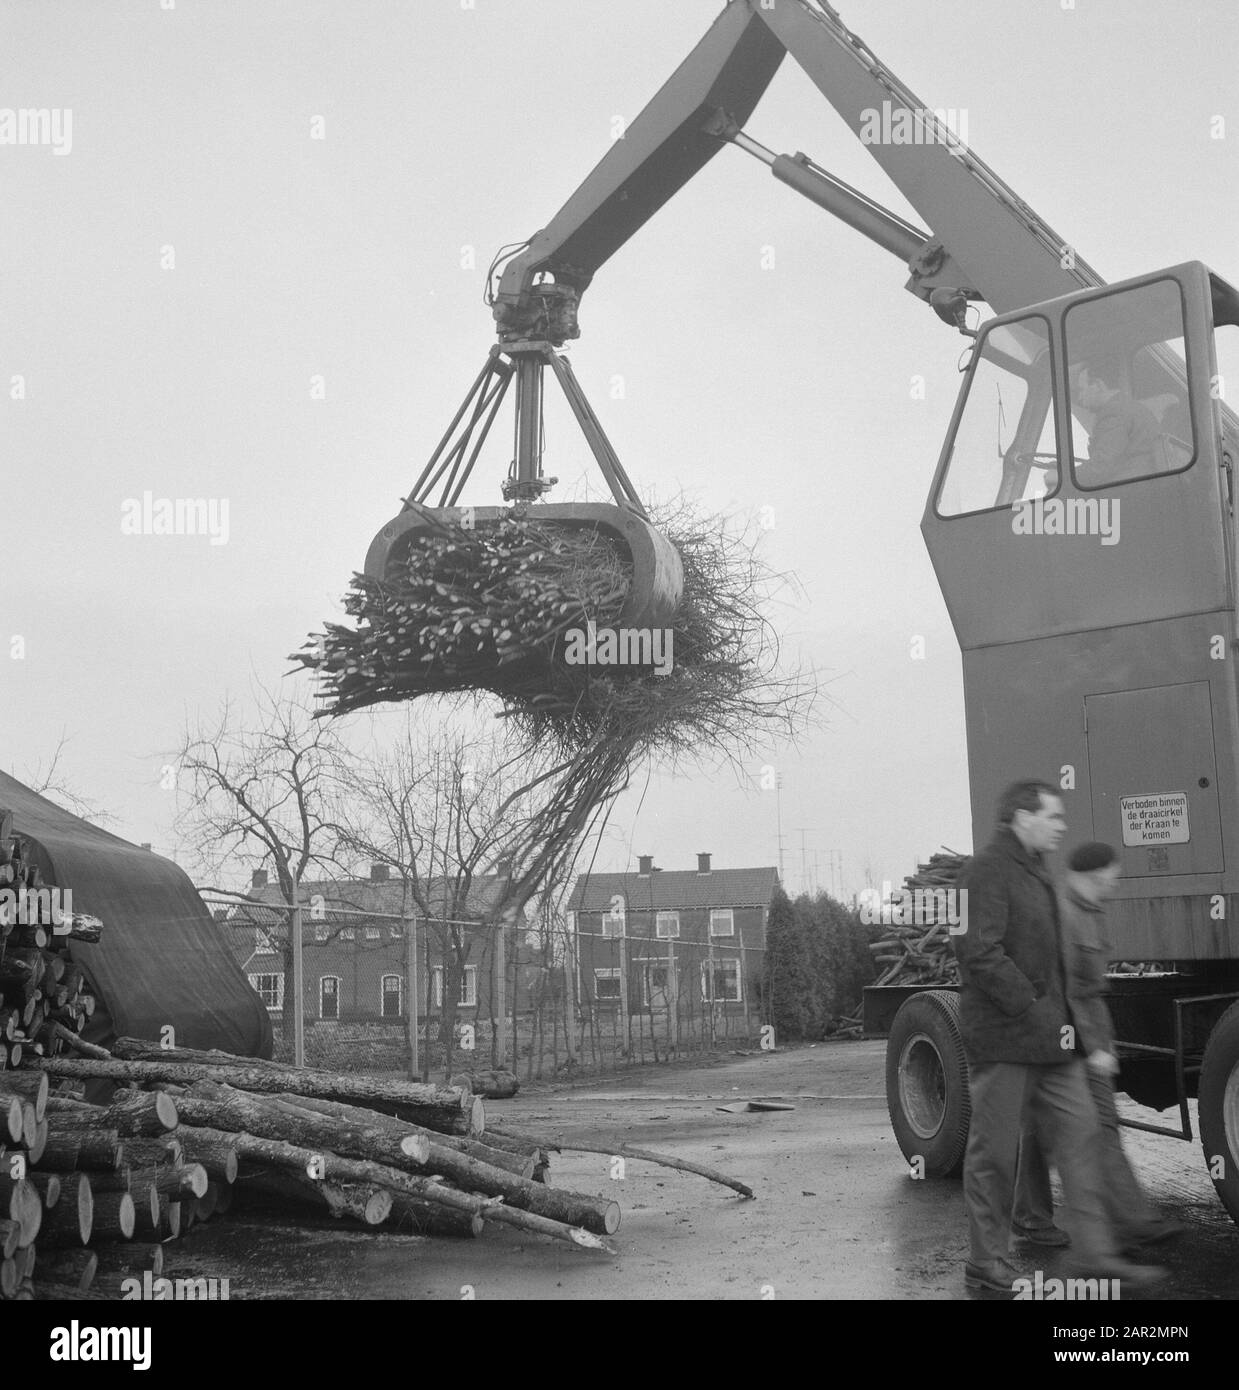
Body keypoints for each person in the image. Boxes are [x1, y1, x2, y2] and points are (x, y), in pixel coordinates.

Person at [953, 779, 1164, 1293]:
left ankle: (1094, 1252)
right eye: (1053, 816)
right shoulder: (981, 872)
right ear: (1023, 818)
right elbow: (976, 950)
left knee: (1082, 1134)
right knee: (996, 1154)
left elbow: (1059, 964)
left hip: (1055, 1041)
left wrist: (1081, 1033)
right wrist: (1032, 1005)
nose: (1062, 825)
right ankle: (987, 1260)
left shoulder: (1038, 872)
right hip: (1004, 1040)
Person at [1012, 842, 1182, 1253]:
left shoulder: (1088, 910)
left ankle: (1032, 1217)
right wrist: (1091, 1048)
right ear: (1095, 873)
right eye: (1111, 872)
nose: (1116, 879)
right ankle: (1133, 1224)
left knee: (1043, 1129)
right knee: (1097, 1127)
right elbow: (1065, 991)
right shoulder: (1065, 916)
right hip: (1068, 1038)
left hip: (1083, 1034)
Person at [1071, 365, 1162, 483]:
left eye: (1081, 389)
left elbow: (1102, 465)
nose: (1079, 397)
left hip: (1132, 489)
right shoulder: (1130, 407)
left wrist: (1065, 478)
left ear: (1098, 385)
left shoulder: (1114, 413)